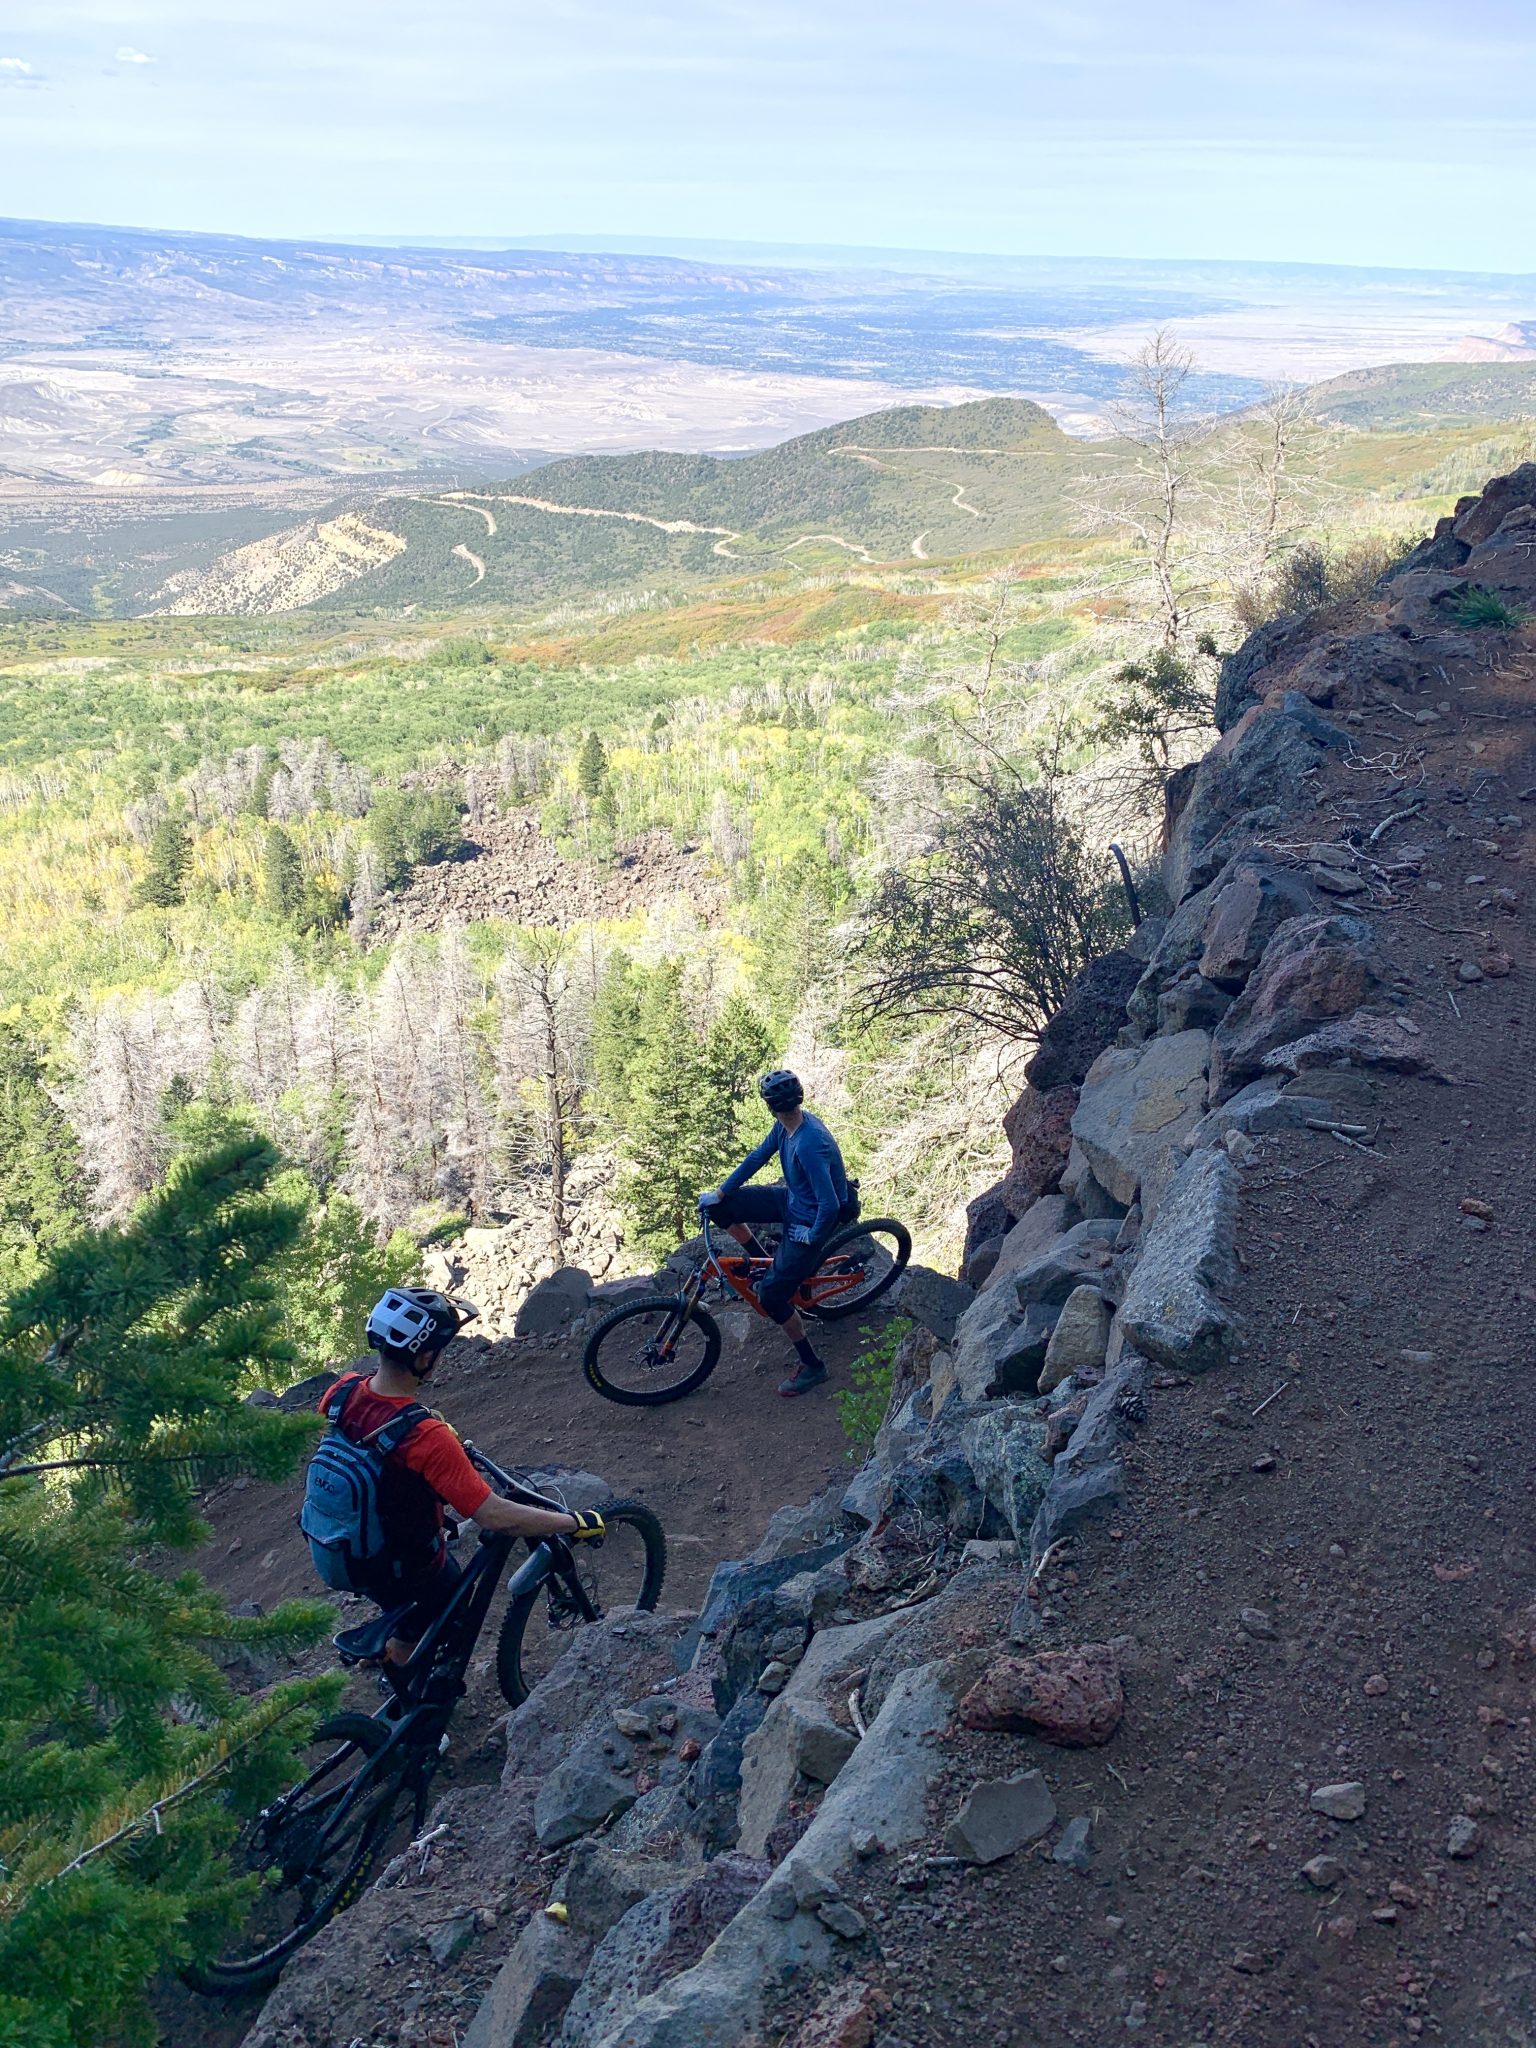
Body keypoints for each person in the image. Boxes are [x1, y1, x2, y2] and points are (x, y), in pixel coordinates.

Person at [312, 1287, 604, 1664]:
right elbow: (493, 1515)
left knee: (406, 1606)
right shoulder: (425, 1436)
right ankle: (410, 1700)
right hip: (401, 1562)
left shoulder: (341, 1391)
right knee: (448, 1612)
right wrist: (570, 1522)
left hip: (339, 1544)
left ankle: (395, 1643)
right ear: (426, 1356)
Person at [702, 1069, 853, 1398]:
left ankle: (813, 1366)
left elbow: (828, 1206)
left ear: (770, 1106)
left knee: (770, 1297)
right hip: (793, 1201)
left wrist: (807, 1239)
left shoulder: (809, 1144)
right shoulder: (789, 1126)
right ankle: (765, 1262)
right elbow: (759, 1155)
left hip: (809, 1218)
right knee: (721, 1209)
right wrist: (722, 1193)